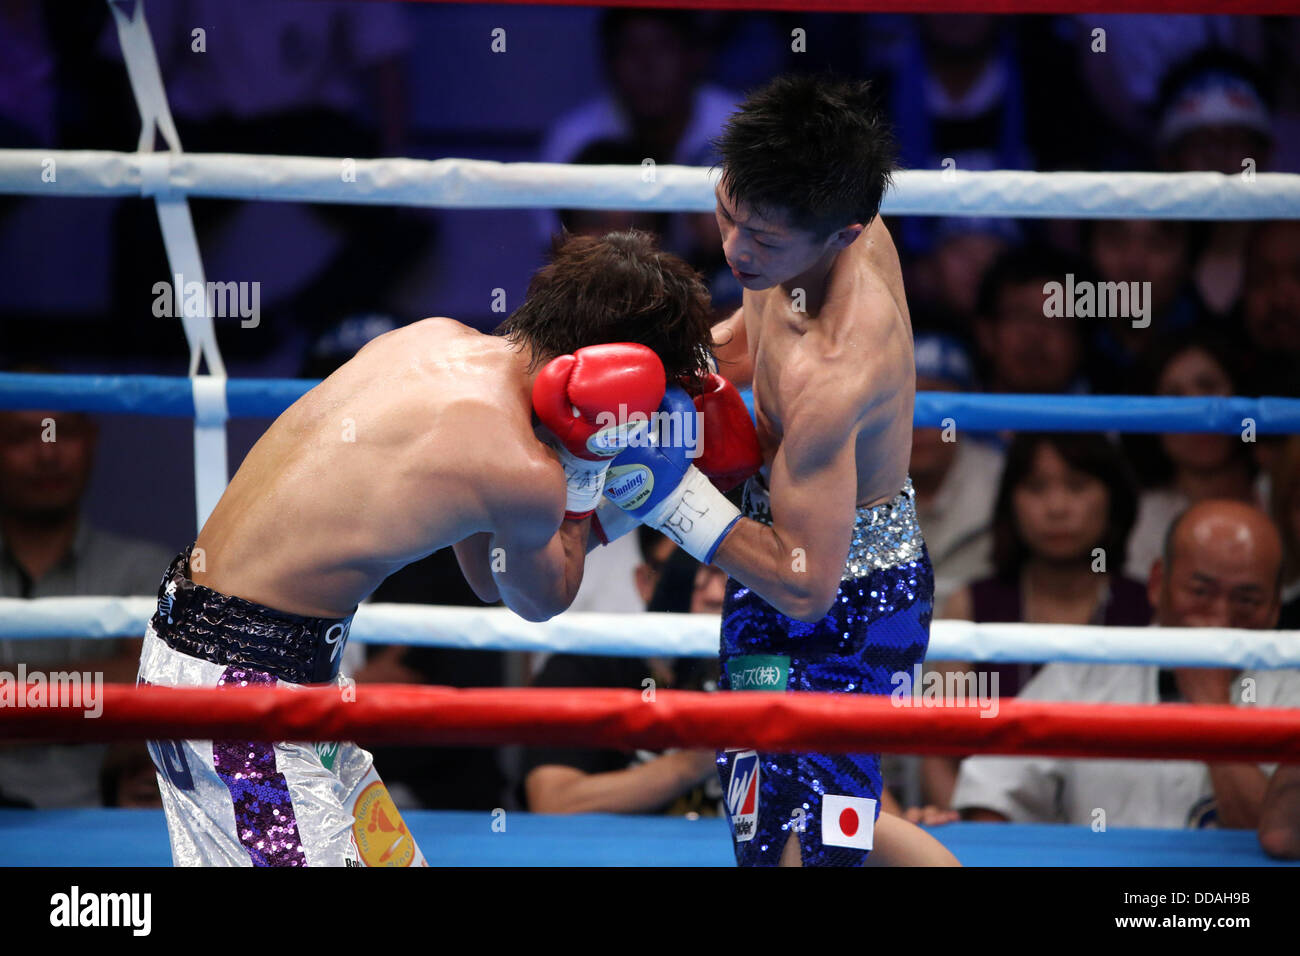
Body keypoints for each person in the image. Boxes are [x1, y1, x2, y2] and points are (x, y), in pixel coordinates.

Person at [136, 230, 716, 866]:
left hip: (260, 664)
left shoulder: (433, 336)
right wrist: (588, 467)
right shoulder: (520, 468)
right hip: (238, 689)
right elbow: (541, 598)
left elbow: (487, 577)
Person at [595, 75, 944, 867]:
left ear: (844, 235)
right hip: (769, 562)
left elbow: (806, 582)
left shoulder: (836, 370)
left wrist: (672, 497)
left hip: (851, 598)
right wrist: (666, 372)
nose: (735, 250)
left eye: (765, 240)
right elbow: (759, 332)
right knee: (777, 821)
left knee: (814, 845)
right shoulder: (794, 200)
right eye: (727, 214)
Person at [949, 500, 1296, 830]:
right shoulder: (1089, 667)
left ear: (1275, 607)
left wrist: (1213, 709)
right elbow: (992, 792)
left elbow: (1280, 836)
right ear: (1158, 583)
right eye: (1201, 591)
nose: (1221, 619)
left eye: (1247, 600)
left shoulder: (1292, 691)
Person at [922, 432, 1149, 811]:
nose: (1056, 507)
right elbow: (937, 747)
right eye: (1036, 487)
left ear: (1114, 498)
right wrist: (973, 836)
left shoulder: (1144, 608)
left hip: (1121, 827)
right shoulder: (973, 603)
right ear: (1011, 501)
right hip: (991, 831)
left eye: (1077, 486)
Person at [0, 391, 172, 809]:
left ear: (92, 440)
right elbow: (136, 688)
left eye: (65, 432)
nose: (47, 455)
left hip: (106, 824)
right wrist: (101, 699)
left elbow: (161, 687)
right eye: (22, 436)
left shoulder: (146, 566)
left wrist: (12, 692)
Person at [523, 541, 725, 817]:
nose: (715, 593)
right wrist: (698, 760)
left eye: (729, 573)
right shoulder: (586, 667)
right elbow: (552, 801)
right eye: (689, 571)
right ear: (645, 581)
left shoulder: (781, 672)